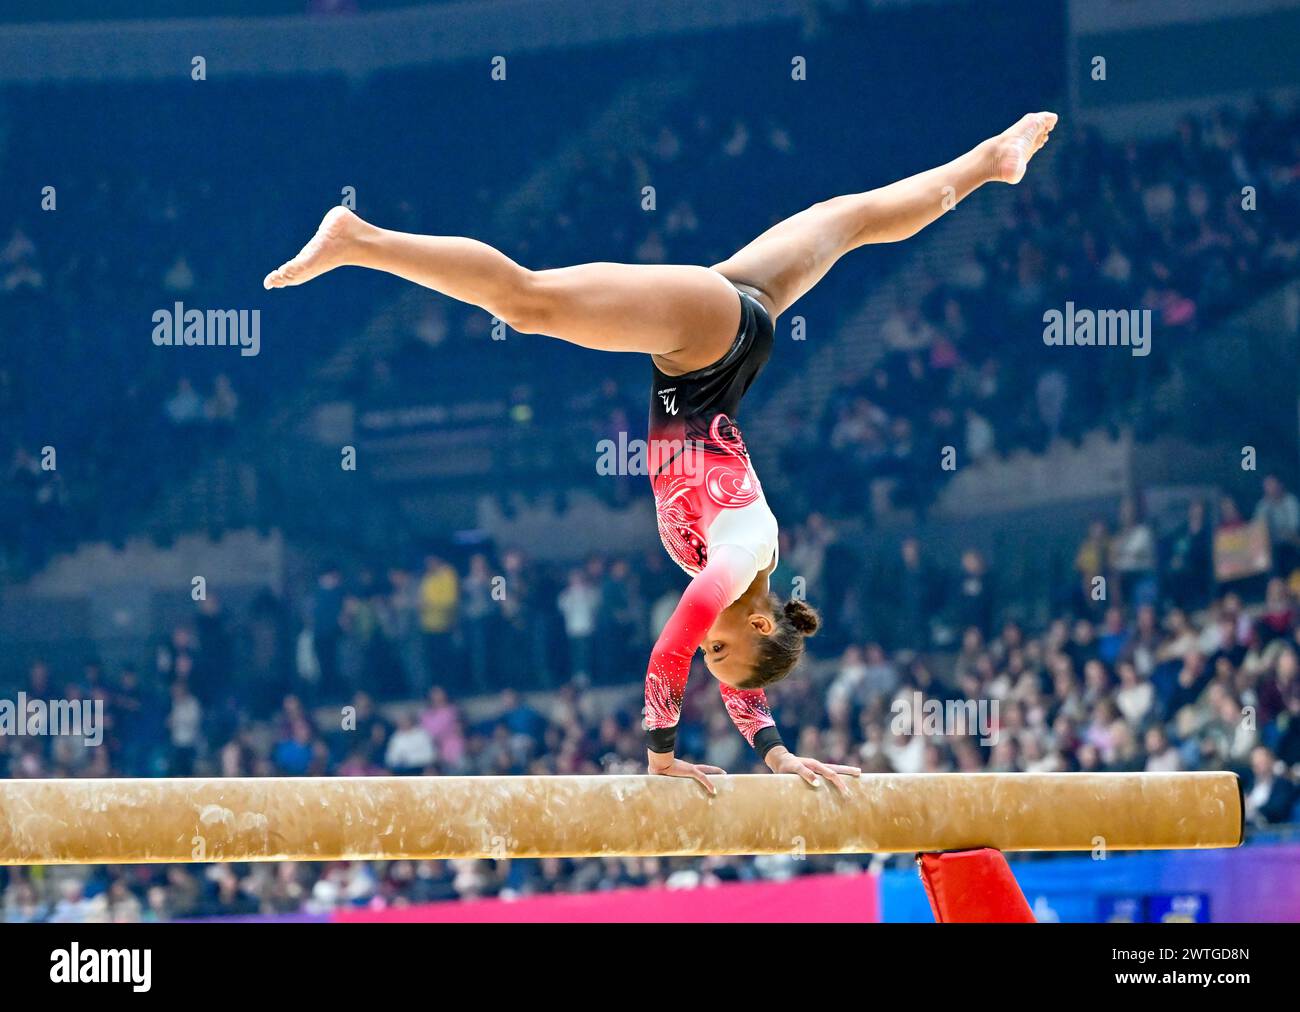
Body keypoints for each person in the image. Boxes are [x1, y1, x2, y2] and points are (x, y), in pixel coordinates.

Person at [264, 112, 1058, 793]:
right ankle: (358, 237)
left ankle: (991, 161)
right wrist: (662, 753)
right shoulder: (740, 554)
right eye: (724, 645)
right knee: (529, 303)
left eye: (714, 654)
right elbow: (677, 641)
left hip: (732, 336)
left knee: (852, 221)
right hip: (702, 348)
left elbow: (739, 673)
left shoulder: (744, 576)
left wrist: (776, 753)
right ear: (758, 619)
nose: (706, 645)